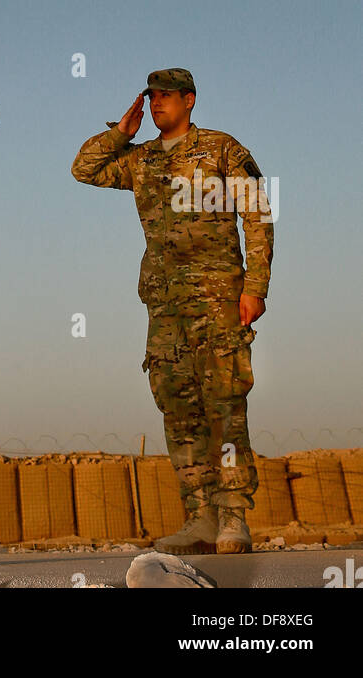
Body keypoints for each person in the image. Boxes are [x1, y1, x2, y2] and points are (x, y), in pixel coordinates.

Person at [71, 69, 274, 555]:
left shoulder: (222, 150)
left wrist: (257, 286)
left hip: (216, 296)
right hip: (163, 305)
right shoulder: (140, 161)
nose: (157, 103)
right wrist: (120, 133)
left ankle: (231, 516)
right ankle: (199, 515)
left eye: (165, 96)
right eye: (151, 96)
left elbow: (257, 214)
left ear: (190, 100)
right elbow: (85, 169)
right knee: (178, 407)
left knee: (223, 403)